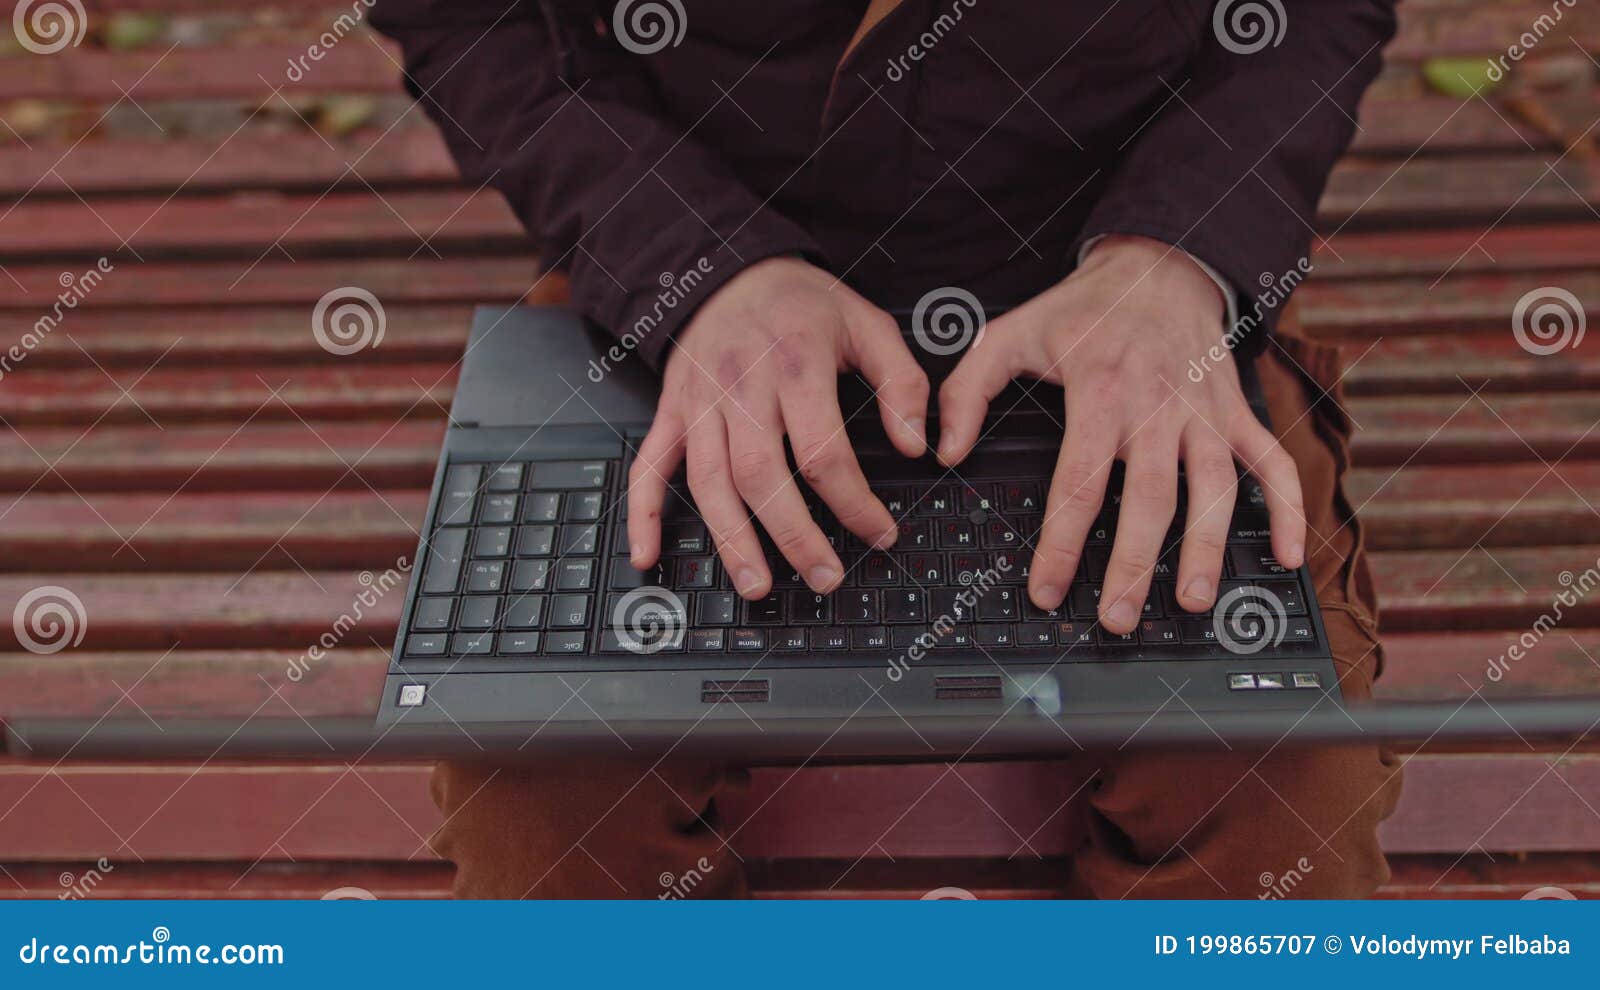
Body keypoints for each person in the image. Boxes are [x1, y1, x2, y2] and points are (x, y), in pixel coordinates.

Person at [372, 0, 1404, 897]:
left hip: (1119, 291)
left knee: (1277, 801)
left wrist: (1179, 253)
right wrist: (690, 262)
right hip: (683, 284)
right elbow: (468, 17)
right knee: (546, 798)